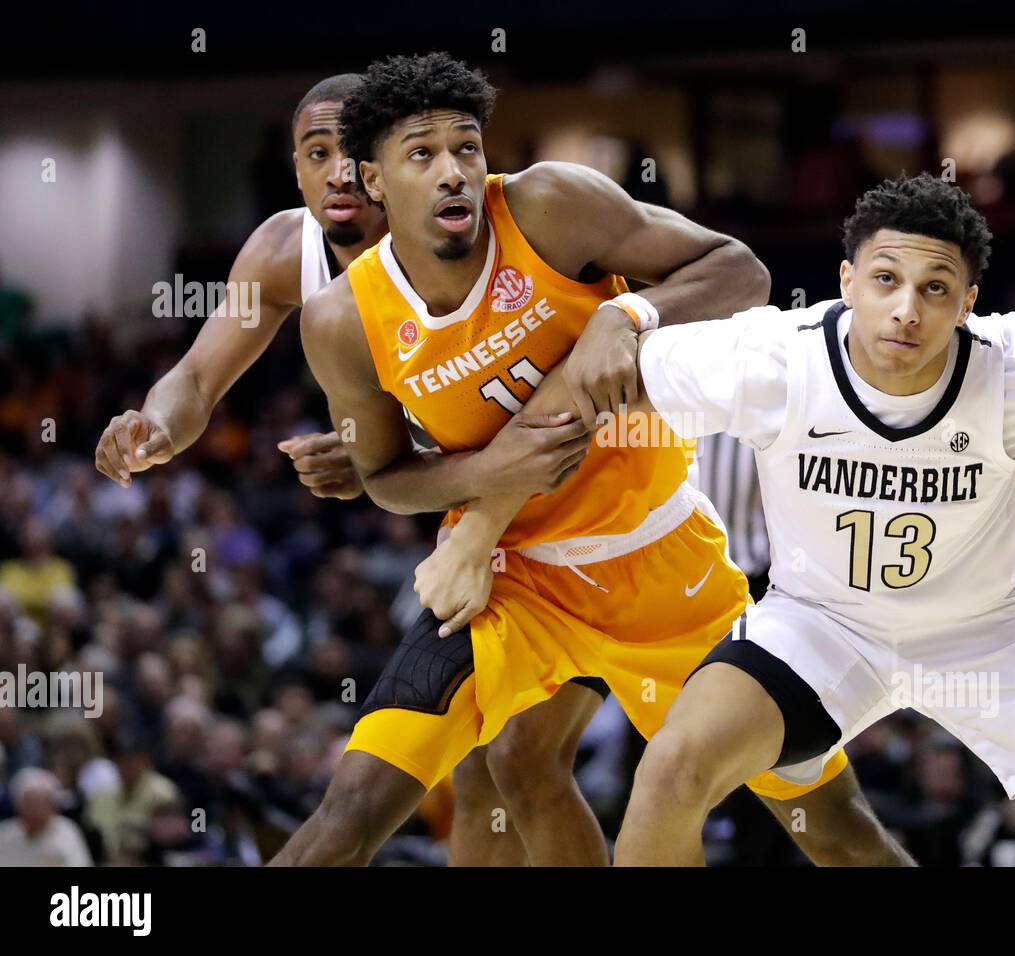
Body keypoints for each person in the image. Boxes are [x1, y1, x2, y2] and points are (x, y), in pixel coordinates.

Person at [274, 51, 908, 867]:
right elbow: (388, 481)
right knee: (359, 806)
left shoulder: (549, 205)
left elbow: (742, 271)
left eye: (466, 147)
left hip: (661, 567)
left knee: (835, 824)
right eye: (421, 155)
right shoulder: (340, 322)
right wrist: (483, 478)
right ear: (373, 179)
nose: (453, 173)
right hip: (511, 578)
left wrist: (630, 314)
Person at [612, 172, 1015, 865]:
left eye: (935, 288)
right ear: (847, 280)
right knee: (671, 771)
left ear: (967, 304)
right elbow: (610, 369)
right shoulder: (770, 357)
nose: (906, 310)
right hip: (820, 626)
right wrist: (611, 325)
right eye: (886, 278)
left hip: (989, 638)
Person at [90, 74, 628, 867]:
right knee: (492, 767)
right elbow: (199, 379)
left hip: (579, 498)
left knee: (509, 762)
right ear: (297, 169)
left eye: (350, 153)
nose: (337, 173)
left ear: (380, 166)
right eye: (317, 154)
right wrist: (154, 425)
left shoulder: (462, 235)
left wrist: (397, 452)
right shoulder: (284, 253)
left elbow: (539, 386)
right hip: (460, 512)